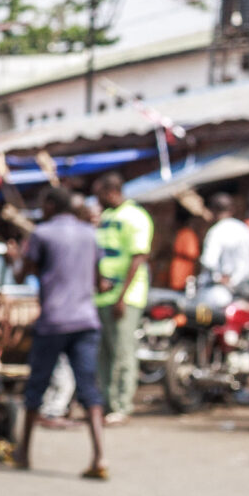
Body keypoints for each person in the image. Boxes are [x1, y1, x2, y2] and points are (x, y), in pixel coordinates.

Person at [12, 186, 107, 480]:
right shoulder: (90, 234)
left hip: (53, 321)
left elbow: (21, 273)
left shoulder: (42, 234)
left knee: (35, 389)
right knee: (89, 390)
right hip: (85, 320)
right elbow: (99, 280)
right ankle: (99, 456)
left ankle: (24, 452)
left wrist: (15, 255)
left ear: (52, 204)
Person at [93, 172, 153, 424]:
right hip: (101, 298)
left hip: (126, 297)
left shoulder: (136, 217)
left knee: (122, 352)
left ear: (110, 192)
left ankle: (122, 405)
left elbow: (139, 257)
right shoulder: (106, 217)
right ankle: (106, 403)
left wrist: (122, 297)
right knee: (103, 354)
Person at [199, 192, 249, 293]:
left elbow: (209, 261)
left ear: (212, 211)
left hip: (224, 291)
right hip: (247, 288)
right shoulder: (244, 229)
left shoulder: (216, 232)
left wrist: (219, 278)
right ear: (232, 210)